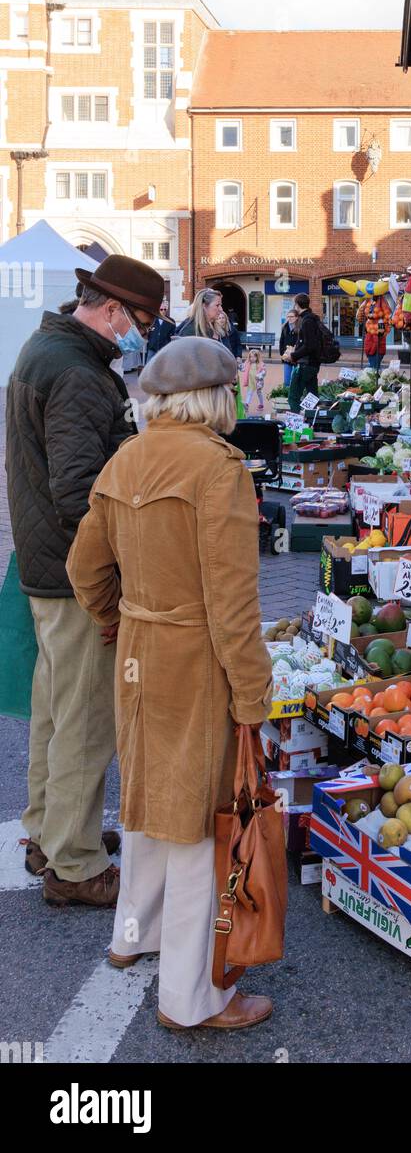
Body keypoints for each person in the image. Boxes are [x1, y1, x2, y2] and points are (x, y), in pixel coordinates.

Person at [66, 337, 274, 1031]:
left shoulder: (127, 456)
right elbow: (233, 605)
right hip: (193, 658)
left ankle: (134, 935)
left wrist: (113, 620)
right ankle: (191, 999)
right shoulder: (219, 469)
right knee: (196, 827)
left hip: (139, 646)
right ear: (217, 397)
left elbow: (83, 568)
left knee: (148, 798)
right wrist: (253, 698)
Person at [6, 255, 165, 905]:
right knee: (84, 719)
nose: (143, 337)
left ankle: (48, 829)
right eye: (144, 323)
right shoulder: (75, 373)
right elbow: (80, 491)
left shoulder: (48, 349)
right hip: (74, 571)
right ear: (114, 311)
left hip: (45, 563)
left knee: (53, 710)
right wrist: (110, 577)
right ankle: (73, 864)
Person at [287, 293, 322, 411]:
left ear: (297, 305)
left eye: (295, 304)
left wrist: (293, 355)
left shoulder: (307, 321)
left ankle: (295, 425)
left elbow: (309, 345)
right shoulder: (312, 318)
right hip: (313, 364)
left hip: (305, 364)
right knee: (312, 396)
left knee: (293, 397)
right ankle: (312, 421)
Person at [242, 349, 267, 414]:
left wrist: (260, 375)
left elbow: (264, 372)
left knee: (259, 393)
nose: (252, 358)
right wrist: (239, 366)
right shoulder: (247, 363)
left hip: (258, 382)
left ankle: (261, 404)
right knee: (249, 392)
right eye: (250, 357)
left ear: (257, 357)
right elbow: (243, 368)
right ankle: (247, 404)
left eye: (254, 357)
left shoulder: (261, 364)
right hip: (251, 381)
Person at [279, 309, 298, 389]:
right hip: (286, 357)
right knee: (287, 381)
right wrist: (282, 353)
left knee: (295, 379)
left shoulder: (300, 327)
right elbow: (281, 341)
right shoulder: (285, 327)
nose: (289, 318)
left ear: (297, 317)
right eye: (288, 316)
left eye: (292, 316)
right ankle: (286, 394)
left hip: (296, 357)